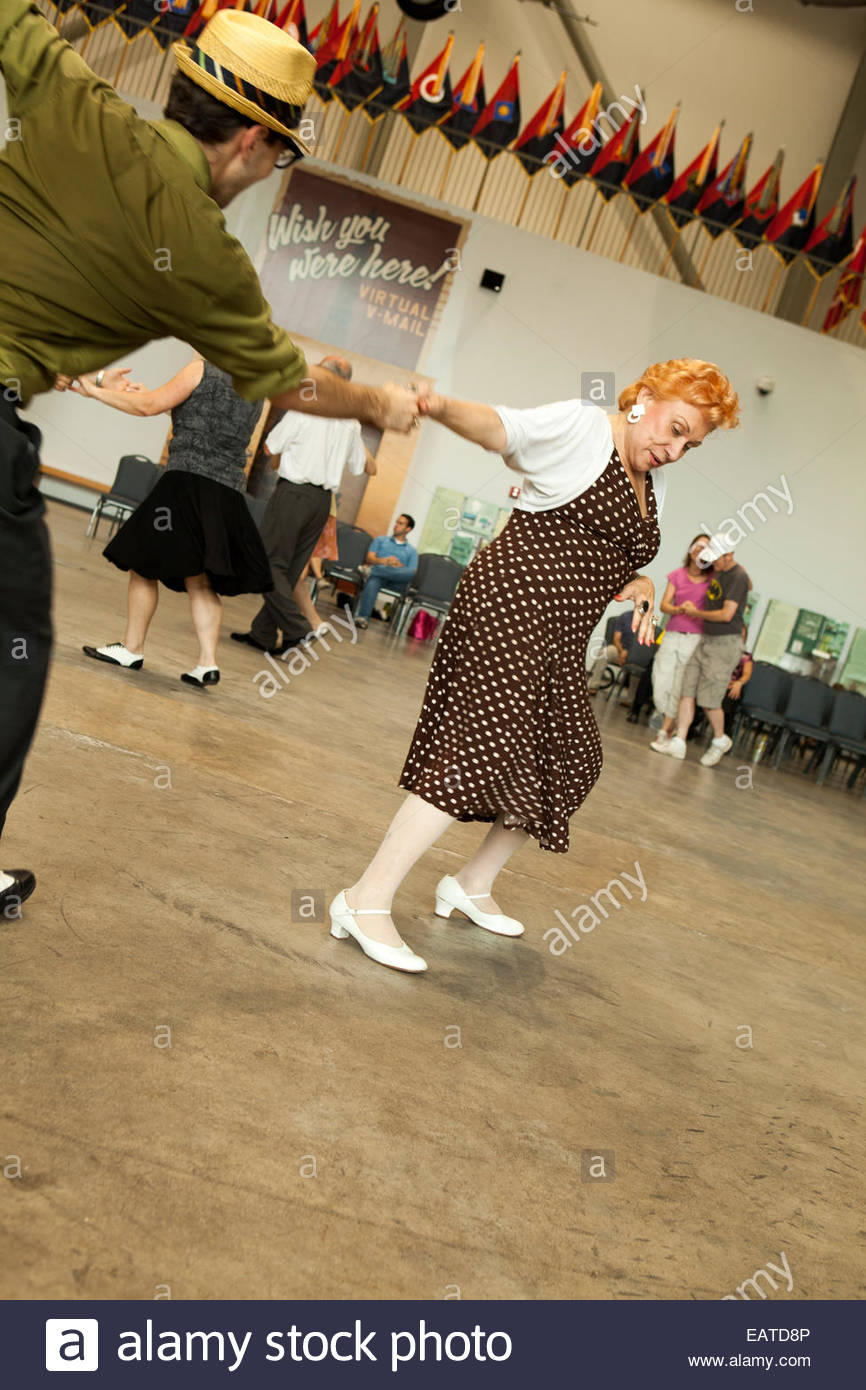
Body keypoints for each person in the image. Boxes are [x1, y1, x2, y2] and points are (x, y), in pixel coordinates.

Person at [0, 3, 417, 915]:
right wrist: (381, 401)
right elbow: (293, 384)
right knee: (11, 652)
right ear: (255, 145)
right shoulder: (202, 251)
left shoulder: (80, 104)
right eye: (282, 156)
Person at [328, 359, 740, 973]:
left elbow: (596, 540)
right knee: (477, 747)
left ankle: (468, 884)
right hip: (510, 604)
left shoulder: (645, 473)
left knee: (573, 757)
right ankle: (363, 900)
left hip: (557, 634)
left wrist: (640, 580)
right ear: (645, 398)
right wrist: (437, 407)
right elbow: (505, 429)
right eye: (674, 428)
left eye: (691, 443)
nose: (676, 449)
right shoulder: (585, 428)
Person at [76, 357, 271, 685]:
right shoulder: (258, 386)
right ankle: (207, 663)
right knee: (201, 580)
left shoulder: (202, 368)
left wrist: (93, 391)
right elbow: (206, 422)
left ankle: (132, 648)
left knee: (142, 563)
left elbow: (147, 407)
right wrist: (157, 397)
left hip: (186, 482)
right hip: (226, 493)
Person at [232, 357, 376, 654]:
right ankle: (263, 633)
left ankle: (298, 628)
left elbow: (271, 446)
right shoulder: (350, 420)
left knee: (267, 562)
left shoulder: (305, 406)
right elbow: (358, 464)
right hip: (323, 502)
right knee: (289, 567)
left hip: (294, 495)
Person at [656, 535, 752, 767]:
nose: (712, 564)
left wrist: (695, 613)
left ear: (729, 555)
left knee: (709, 700)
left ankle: (720, 739)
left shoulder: (738, 576)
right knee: (687, 689)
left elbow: (727, 614)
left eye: (716, 559)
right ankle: (679, 740)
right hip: (706, 639)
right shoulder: (719, 571)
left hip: (725, 642)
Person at [648, 533, 711, 750]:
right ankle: (667, 717)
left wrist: (697, 612)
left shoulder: (713, 581)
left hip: (694, 639)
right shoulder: (677, 575)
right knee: (660, 680)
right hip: (672, 634)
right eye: (697, 546)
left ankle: (665, 730)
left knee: (679, 686)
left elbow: (714, 610)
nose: (700, 551)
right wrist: (679, 609)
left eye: (706, 548)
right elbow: (664, 605)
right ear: (691, 549)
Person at [354, 515, 419, 629]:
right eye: (396, 522)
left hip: (398, 582)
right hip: (379, 579)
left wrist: (397, 565)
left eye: (400, 523)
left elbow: (411, 571)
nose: (396, 525)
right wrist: (385, 561)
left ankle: (371, 571)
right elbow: (369, 558)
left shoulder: (412, 551)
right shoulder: (380, 540)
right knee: (373, 582)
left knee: (410, 573)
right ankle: (363, 618)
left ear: (408, 529)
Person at [586, 609, 638, 700]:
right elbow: (616, 639)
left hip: (637, 654)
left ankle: (631, 700)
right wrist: (622, 652)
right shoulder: (625, 616)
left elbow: (653, 634)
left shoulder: (652, 619)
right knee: (605, 652)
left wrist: (630, 654)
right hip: (620, 650)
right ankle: (593, 686)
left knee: (643, 665)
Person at [723, 625, 754, 736]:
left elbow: (747, 674)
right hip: (716, 682)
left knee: (731, 694)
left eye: (742, 635)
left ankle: (725, 735)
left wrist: (738, 683)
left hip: (732, 686)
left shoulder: (746, 657)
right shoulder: (721, 650)